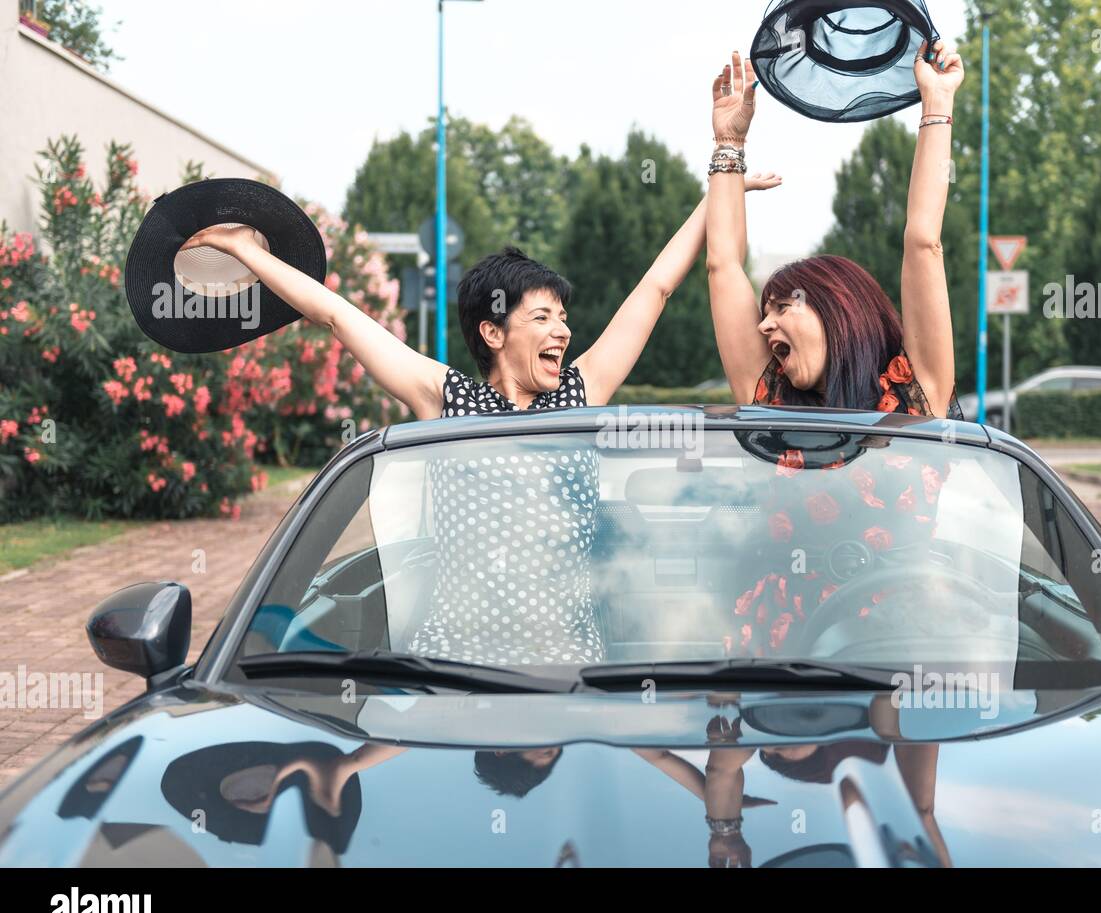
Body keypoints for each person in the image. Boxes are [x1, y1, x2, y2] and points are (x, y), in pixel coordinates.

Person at [181, 177, 779, 666]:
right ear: (493, 332)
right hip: (454, 669)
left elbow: (657, 286)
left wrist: (718, 193)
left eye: (563, 318)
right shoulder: (447, 399)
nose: (563, 332)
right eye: (542, 317)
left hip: (569, 669)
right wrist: (245, 251)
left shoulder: (580, 392)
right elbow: (337, 316)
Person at [703, 43, 963, 416]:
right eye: (767, 312)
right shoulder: (769, 402)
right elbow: (723, 264)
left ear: (836, 310)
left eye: (782, 308)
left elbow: (923, 241)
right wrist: (729, 141)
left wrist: (938, 102)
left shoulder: (915, 396)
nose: (763, 325)